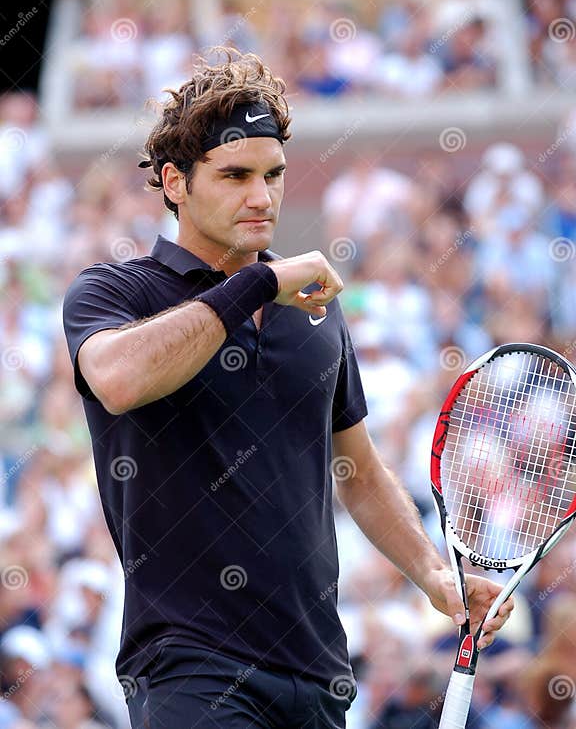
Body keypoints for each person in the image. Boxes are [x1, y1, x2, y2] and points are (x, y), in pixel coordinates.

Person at [62, 47, 513, 729]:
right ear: (175, 181)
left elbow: (356, 471)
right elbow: (118, 378)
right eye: (236, 175)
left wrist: (435, 576)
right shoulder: (115, 291)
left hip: (318, 671)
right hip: (191, 667)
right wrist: (259, 282)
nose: (262, 197)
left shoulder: (316, 305)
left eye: (273, 175)